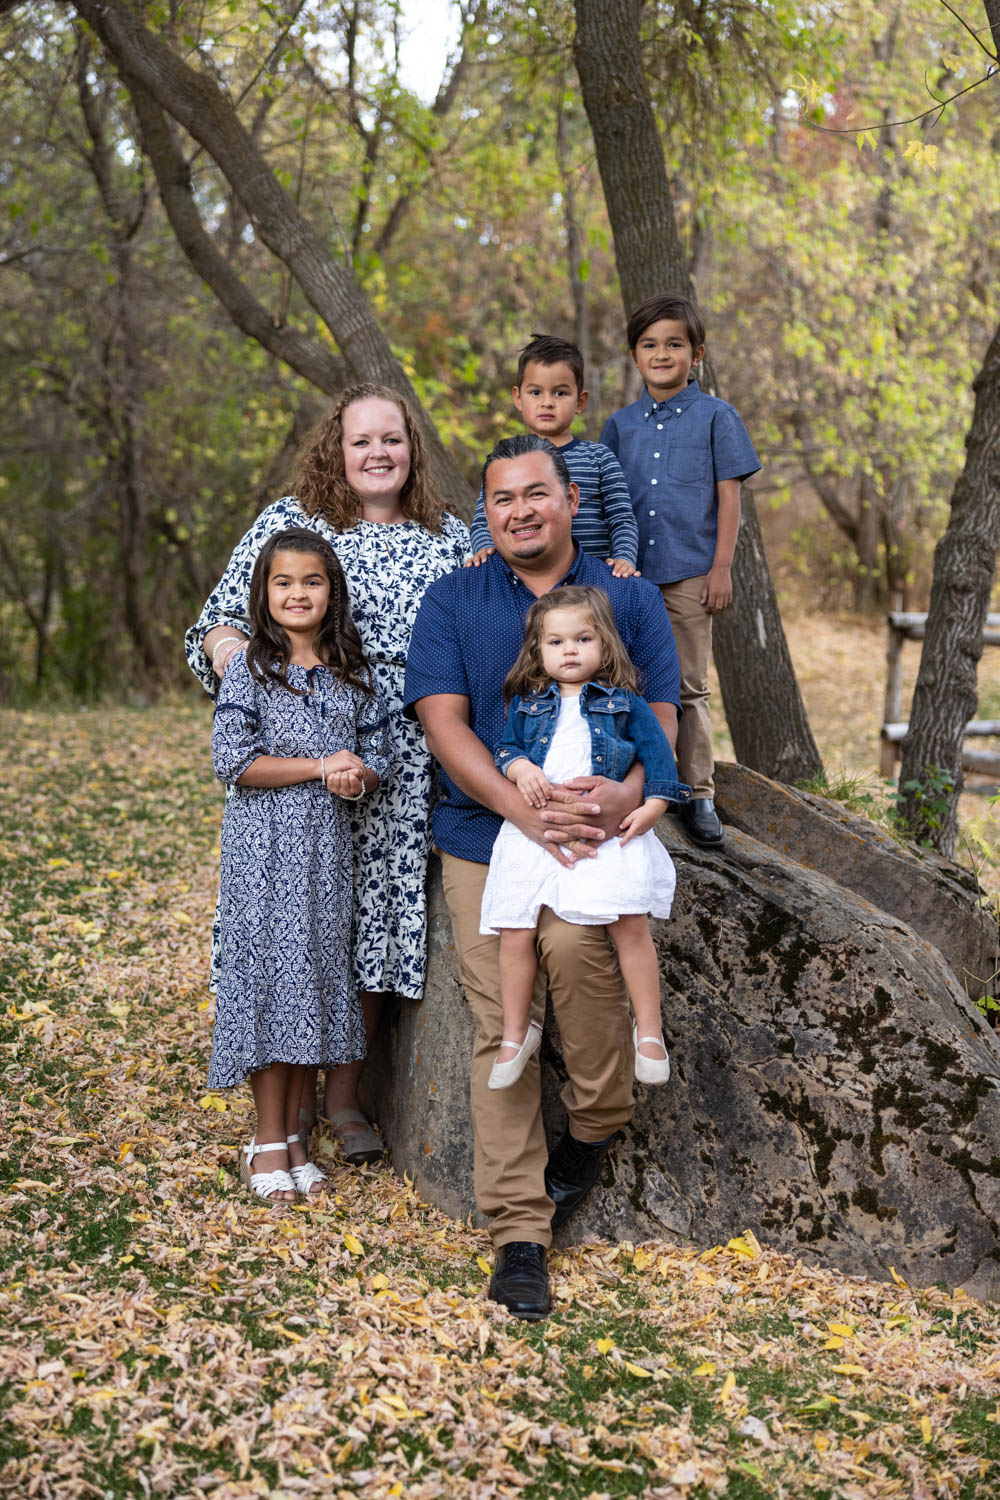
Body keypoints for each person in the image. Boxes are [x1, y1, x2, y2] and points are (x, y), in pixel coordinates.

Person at [404, 434, 681, 1321]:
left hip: (597, 834)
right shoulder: (454, 598)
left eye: (535, 493)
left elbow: (660, 714)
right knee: (502, 1019)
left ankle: (598, 1118)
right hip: (485, 836)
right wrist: (520, 811)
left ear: (570, 500)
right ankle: (520, 1234)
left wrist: (625, 796)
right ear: (485, 513)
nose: (518, 511)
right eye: (501, 499)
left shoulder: (627, 598)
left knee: (577, 949)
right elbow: (444, 723)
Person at [186, 384, 470, 1163]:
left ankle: (345, 1096)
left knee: (375, 924)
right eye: (361, 440)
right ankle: (286, 1107)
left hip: (400, 759)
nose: (378, 453)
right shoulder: (294, 523)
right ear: (336, 450)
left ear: (412, 447)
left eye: (392, 439)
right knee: (297, 925)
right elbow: (218, 622)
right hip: (298, 756)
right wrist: (253, 673)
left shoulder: (448, 536)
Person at [210, 530, 394, 1202]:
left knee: (308, 987)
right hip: (263, 856)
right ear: (263, 593)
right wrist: (319, 766)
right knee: (268, 986)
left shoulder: (353, 673)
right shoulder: (250, 670)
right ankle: (265, 1140)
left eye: (311, 581)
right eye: (283, 582)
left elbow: (378, 758)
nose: (297, 594)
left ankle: (292, 1140)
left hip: (325, 858)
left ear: (332, 592)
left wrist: (355, 776)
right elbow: (233, 761)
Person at [481, 586, 691, 1092]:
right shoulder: (527, 705)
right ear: (538, 650)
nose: (569, 650)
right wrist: (520, 767)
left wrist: (654, 806)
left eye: (582, 639)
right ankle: (515, 1033)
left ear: (605, 644)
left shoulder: (626, 704)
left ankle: (649, 1031)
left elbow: (658, 756)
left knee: (629, 923)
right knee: (515, 929)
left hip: (606, 835)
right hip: (534, 835)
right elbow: (505, 750)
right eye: (555, 642)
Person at [600, 294, 760, 849]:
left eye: (674, 344)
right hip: (628, 577)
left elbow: (729, 497)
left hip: (690, 572)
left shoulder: (718, 417)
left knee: (689, 684)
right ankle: (633, 780)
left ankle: (698, 791)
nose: (662, 354)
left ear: (697, 354)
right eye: (649, 345)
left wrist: (722, 568)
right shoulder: (619, 425)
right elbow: (605, 500)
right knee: (623, 677)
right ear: (634, 356)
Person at [467, 334, 638, 576]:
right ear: (518, 398)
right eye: (536, 392)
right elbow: (483, 522)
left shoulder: (599, 458)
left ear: (580, 401)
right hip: (526, 581)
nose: (547, 402)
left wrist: (624, 558)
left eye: (559, 393)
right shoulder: (505, 464)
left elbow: (621, 519)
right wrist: (485, 550)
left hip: (593, 581)